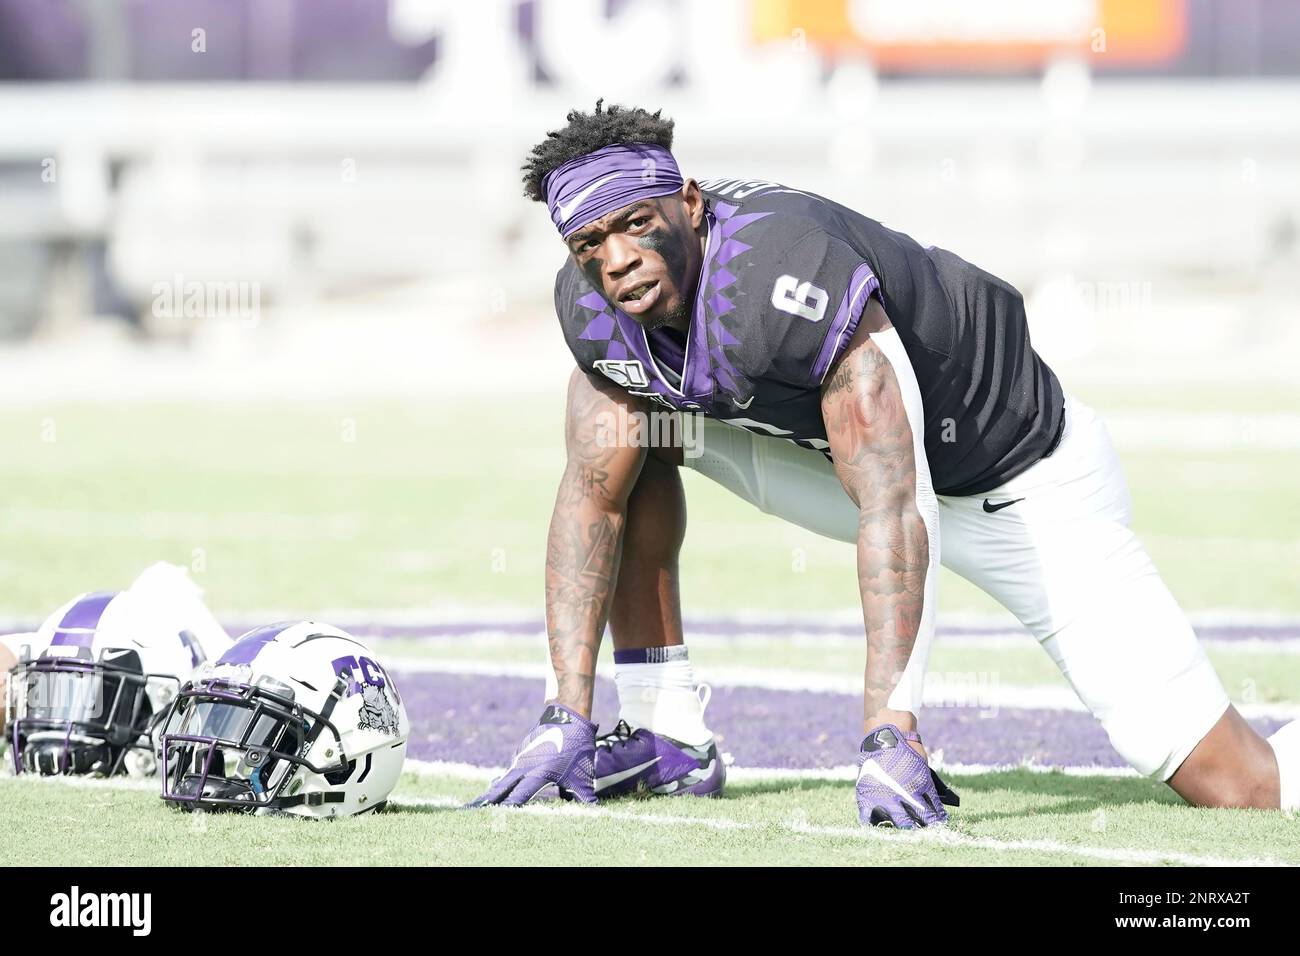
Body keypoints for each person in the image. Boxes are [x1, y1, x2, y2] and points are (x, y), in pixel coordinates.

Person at [470, 101, 1299, 827]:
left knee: (1241, 785)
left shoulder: (778, 271)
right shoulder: (590, 303)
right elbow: (591, 495)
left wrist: (890, 727)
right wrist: (562, 710)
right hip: (835, 465)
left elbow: (897, 500)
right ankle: (667, 730)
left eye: (636, 224)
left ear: (688, 203)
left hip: (1020, 486)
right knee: (625, 432)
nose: (615, 260)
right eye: (590, 243)